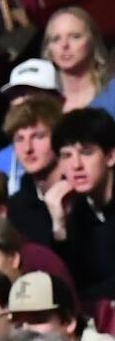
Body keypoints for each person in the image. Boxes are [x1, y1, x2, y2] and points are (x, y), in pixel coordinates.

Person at [45, 108, 115, 302]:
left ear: (110, 157)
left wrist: (80, 301)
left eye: (86, 152)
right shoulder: (73, 210)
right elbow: (61, 287)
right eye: (66, 155)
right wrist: (59, 227)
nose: (76, 165)